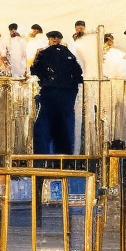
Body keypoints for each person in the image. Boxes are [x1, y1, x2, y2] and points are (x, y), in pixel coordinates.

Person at [30, 28, 84, 158]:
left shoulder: (44, 53)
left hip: (50, 94)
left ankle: (44, 160)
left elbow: (34, 70)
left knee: (46, 127)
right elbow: (78, 73)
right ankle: (63, 159)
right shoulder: (67, 53)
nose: (55, 39)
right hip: (65, 95)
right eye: (53, 37)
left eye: (56, 37)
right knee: (63, 128)